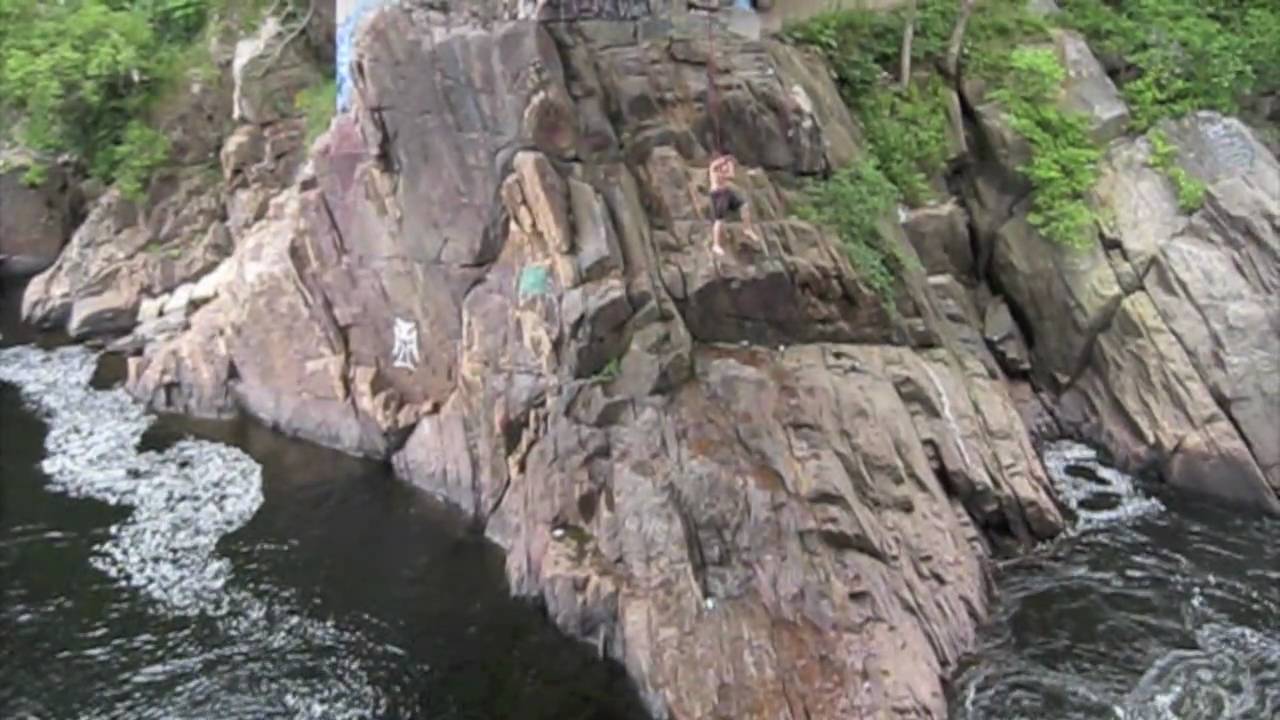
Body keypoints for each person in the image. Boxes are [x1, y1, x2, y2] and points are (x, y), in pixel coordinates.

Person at [708, 153, 760, 256]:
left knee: (744, 205)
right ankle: (716, 244)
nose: (725, 167)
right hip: (718, 194)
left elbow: (731, 175)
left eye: (726, 166)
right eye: (724, 166)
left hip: (727, 193)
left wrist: (730, 164)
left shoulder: (726, 171)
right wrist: (725, 159)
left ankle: (747, 229)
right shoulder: (713, 169)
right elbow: (716, 165)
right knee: (719, 220)